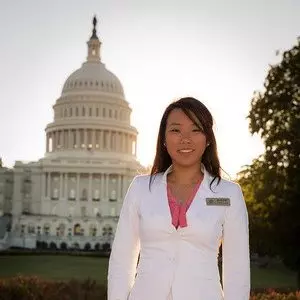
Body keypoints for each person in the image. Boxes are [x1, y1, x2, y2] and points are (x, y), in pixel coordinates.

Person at [107, 97, 250, 300]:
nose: (185, 138)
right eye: (175, 130)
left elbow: (237, 269)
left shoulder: (228, 195)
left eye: (195, 129)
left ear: (208, 138)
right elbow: (122, 260)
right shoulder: (140, 188)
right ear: (164, 139)